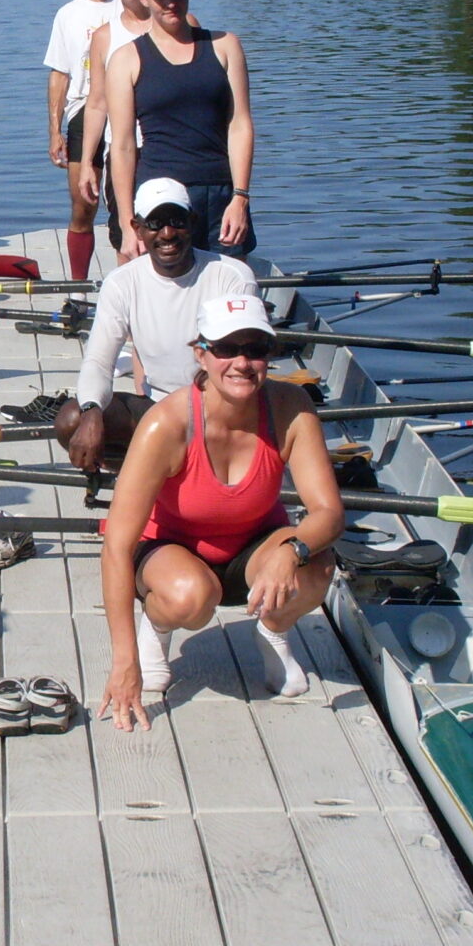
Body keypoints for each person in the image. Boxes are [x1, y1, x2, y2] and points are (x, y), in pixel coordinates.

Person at [98, 296, 343, 733]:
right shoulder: (165, 424)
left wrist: (294, 550)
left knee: (318, 564)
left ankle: (274, 631)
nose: (242, 362)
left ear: (270, 355)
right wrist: (124, 662)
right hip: (171, 551)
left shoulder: (292, 408)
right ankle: (155, 627)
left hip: (255, 548)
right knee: (192, 598)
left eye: (256, 348)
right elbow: (117, 546)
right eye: (227, 348)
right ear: (201, 354)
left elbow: (328, 512)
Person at [59, 177, 257, 473]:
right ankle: (145, 479)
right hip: (159, 405)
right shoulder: (122, 283)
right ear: (137, 228)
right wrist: (91, 410)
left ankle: (188, 470)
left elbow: (242, 366)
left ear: (193, 222)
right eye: (154, 224)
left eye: (177, 221)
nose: (167, 233)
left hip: (223, 408)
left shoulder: (232, 277)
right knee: (71, 418)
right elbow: (99, 362)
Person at [105, 0, 256, 259]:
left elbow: (239, 124)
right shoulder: (125, 59)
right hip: (160, 192)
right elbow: (121, 145)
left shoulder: (225, 45)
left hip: (220, 192)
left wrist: (240, 198)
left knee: (227, 292)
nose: (170, 2)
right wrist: (126, 221)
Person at [75, 0, 193, 259]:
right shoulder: (104, 36)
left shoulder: (183, 22)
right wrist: (88, 162)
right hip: (124, 151)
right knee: (127, 237)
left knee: (178, 232)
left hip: (174, 148)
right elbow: (97, 103)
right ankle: (129, 301)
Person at [42, 0, 120, 279]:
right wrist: (54, 131)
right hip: (82, 113)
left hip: (127, 114)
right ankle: (77, 288)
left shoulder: (134, 3)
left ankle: (132, 288)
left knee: (126, 209)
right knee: (82, 206)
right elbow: (59, 75)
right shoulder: (68, 15)